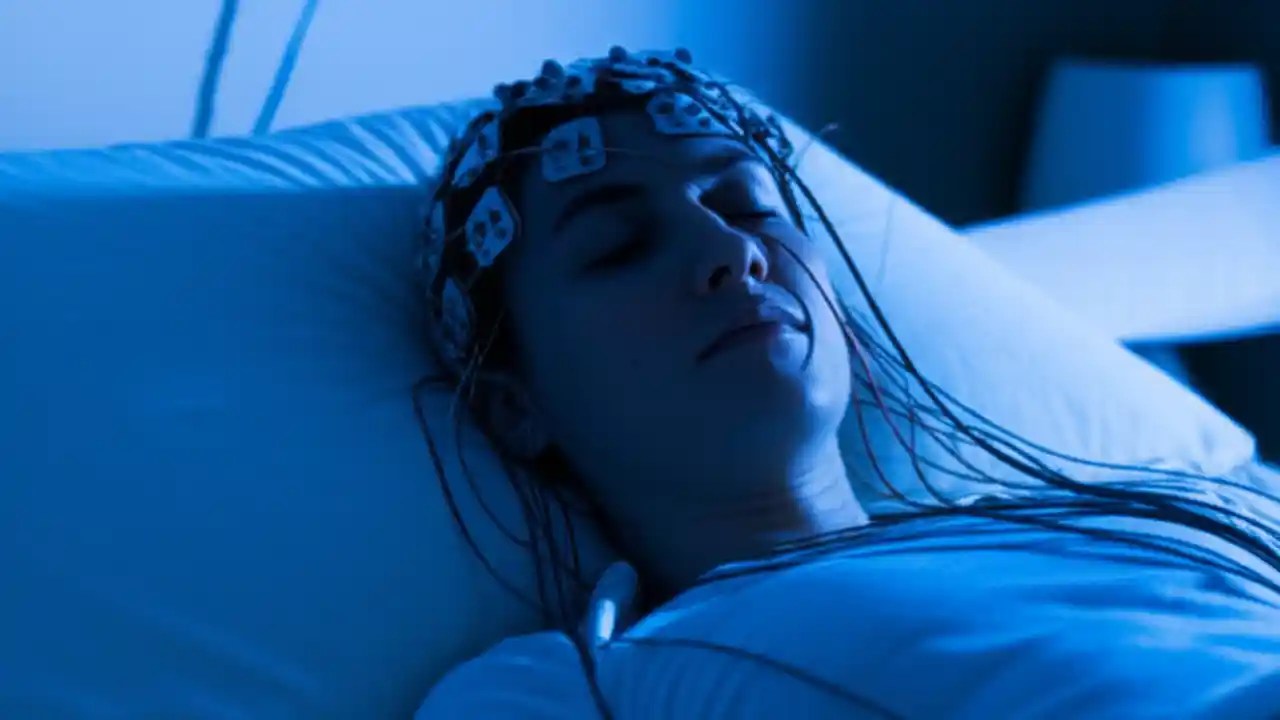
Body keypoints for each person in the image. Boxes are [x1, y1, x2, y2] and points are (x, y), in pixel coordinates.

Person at [413, 48, 1280, 718]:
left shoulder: (1163, 505)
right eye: (619, 248)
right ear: (514, 407)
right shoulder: (587, 684)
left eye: (747, 206)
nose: (730, 250)